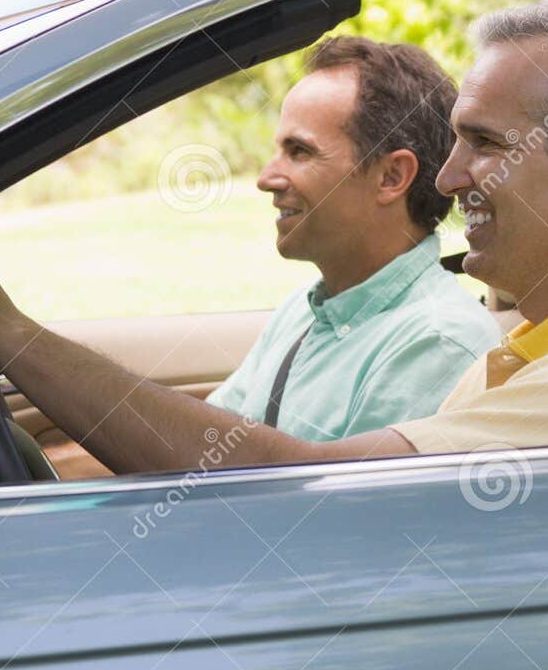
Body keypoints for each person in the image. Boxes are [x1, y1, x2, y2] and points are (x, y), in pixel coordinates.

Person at [0, 2, 548, 474]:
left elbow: (292, 485)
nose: (449, 180)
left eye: (486, 145)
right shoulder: (535, 353)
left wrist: (9, 331)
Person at [204, 36, 499, 441]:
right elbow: (204, 444)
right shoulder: (304, 311)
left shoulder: (436, 343)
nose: (265, 178)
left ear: (391, 177)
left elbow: (340, 505)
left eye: (300, 151)